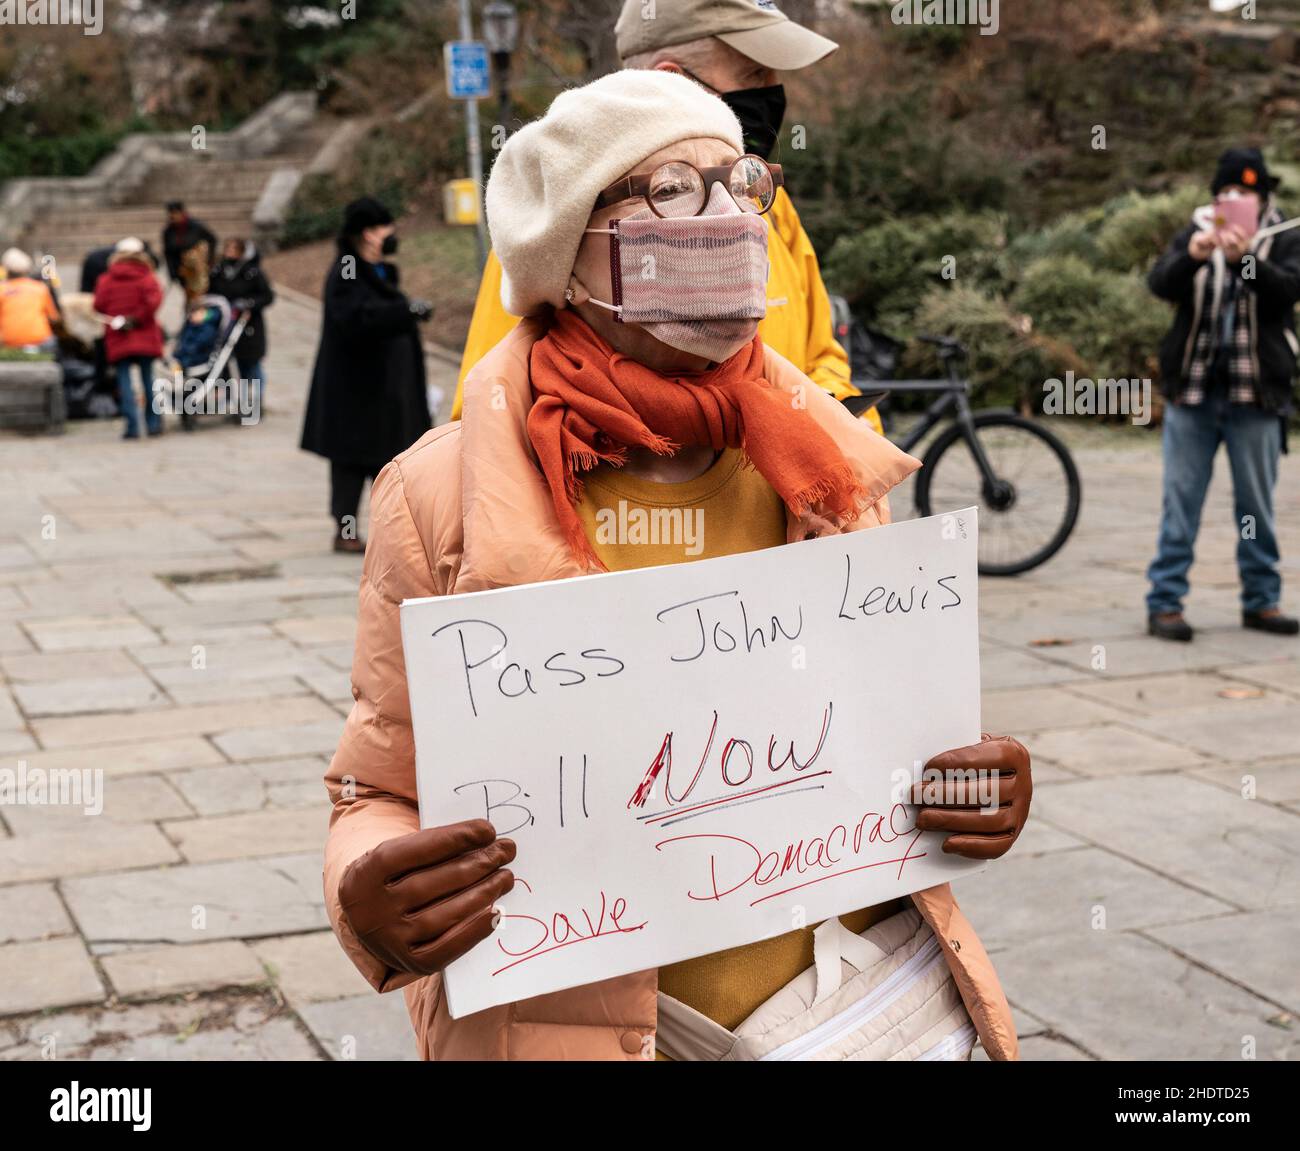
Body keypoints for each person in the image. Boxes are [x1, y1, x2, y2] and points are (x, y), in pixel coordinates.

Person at [322, 72, 1032, 1062]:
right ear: (567, 251)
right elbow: (378, 790)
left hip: (863, 1007)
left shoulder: (821, 457)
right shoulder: (437, 494)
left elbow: (886, 738)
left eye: (741, 182)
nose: (727, 216)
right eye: (668, 191)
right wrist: (369, 894)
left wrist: (977, 784)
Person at [449, 0, 879, 432]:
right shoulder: (558, 224)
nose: (774, 94)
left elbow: (823, 356)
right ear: (674, 80)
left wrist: (839, 434)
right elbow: (488, 414)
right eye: (754, 75)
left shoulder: (770, 206)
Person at [1146, 147, 1300, 640]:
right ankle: (1165, 602)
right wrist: (1194, 257)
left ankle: (1262, 601)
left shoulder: (1285, 235)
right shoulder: (1196, 230)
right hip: (1193, 394)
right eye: (1227, 191)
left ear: (1263, 196)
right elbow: (1160, 284)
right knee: (1181, 501)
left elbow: (1286, 293)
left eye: (1245, 192)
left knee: (1256, 507)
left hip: (1256, 396)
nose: (1234, 198)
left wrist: (1245, 261)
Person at [300, 197, 433, 554]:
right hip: (355, 389)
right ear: (367, 233)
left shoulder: (381, 270)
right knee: (350, 462)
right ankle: (345, 531)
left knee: (387, 460)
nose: (391, 233)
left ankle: (395, 533)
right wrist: (405, 312)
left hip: (387, 389)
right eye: (384, 227)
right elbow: (357, 317)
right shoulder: (347, 268)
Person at [92, 237, 165, 439]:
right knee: (148, 379)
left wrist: (121, 318)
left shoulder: (106, 279)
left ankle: (132, 426)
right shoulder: (147, 277)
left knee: (124, 381)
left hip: (118, 335)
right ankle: (153, 424)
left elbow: (98, 305)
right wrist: (136, 318)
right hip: (144, 333)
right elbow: (153, 302)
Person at [210, 236, 275, 411]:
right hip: (226, 325)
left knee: (251, 365)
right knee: (227, 363)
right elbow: (211, 292)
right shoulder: (219, 271)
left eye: (234, 249)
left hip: (248, 326)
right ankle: (233, 400)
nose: (229, 252)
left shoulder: (252, 272)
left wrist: (249, 303)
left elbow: (267, 296)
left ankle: (256, 401)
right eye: (227, 248)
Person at [0, 247, 60, 350]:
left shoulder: (2, 289)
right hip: (40, 339)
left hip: (8, 340)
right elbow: (53, 317)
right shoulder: (40, 288)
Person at [161, 201, 217, 303]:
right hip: (182, 269)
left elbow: (212, 239)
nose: (173, 216)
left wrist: (209, 259)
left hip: (197, 268)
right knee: (188, 296)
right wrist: (172, 272)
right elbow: (168, 253)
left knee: (200, 296)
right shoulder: (168, 231)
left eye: (175, 213)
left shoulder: (196, 226)